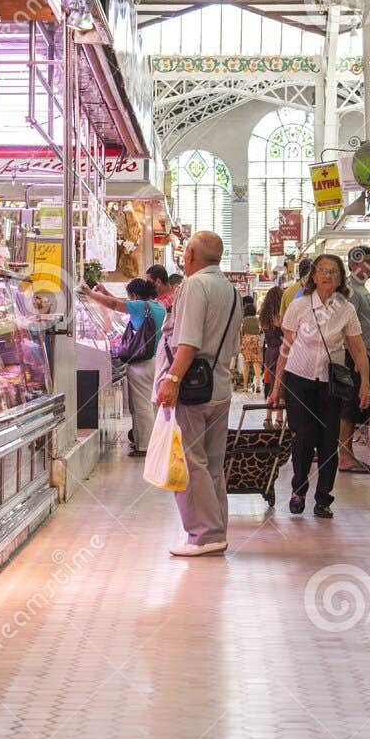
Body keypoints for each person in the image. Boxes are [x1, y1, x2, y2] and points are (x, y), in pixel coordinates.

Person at [153, 230, 241, 557]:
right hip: (219, 385)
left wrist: (172, 379)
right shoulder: (230, 289)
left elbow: (187, 341)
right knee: (212, 464)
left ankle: (203, 535)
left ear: (189, 254)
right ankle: (217, 530)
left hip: (192, 388)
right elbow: (230, 345)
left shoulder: (193, 285)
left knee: (189, 462)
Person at [269, 253, 370, 518]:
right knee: (303, 437)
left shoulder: (346, 309)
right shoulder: (299, 306)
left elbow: (358, 349)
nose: (327, 276)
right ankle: (298, 492)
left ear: (340, 279)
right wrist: (276, 387)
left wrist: (366, 384)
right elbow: (285, 348)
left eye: (333, 272)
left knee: (328, 441)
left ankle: (323, 498)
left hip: (330, 384)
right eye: (322, 271)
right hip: (299, 379)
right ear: (313, 276)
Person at [82, 277, 164, 456]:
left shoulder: (139, 306)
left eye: (130, 296)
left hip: (141, 364)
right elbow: (121, 303)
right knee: (149, 405)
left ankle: (145, 446)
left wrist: (89, 294)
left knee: (141, 406)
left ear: (135, 295)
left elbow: (114, 304)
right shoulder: (157, 306)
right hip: (156, 362)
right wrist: (103, 292)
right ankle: (147, 441)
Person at [338, 246, 370, 475]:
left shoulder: (360, 289)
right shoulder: (351, 291)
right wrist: (356, 356)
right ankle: (344, 456)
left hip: (365, 355)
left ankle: (348, 453)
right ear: (354, 264)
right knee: (350, 407)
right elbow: (345, 327)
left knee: (355, 408)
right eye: (368, 262)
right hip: (357, 357)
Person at [258, 284, 284, 428]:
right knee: (280, 385)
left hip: (269, 353)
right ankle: (279, 419)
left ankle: (267, 417)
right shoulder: (279, 316)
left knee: (271, 384)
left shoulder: (264, 316)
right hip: (281, 353)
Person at [239, 294, 262, 392]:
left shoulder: (243, 320)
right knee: (256, 364)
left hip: (246, 341)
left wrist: (241, 343)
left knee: (246, 365)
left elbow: (241, 332)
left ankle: (244, 386)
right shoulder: (258, 320)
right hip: (256, 341)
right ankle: (258, 385)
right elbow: (261, 330)